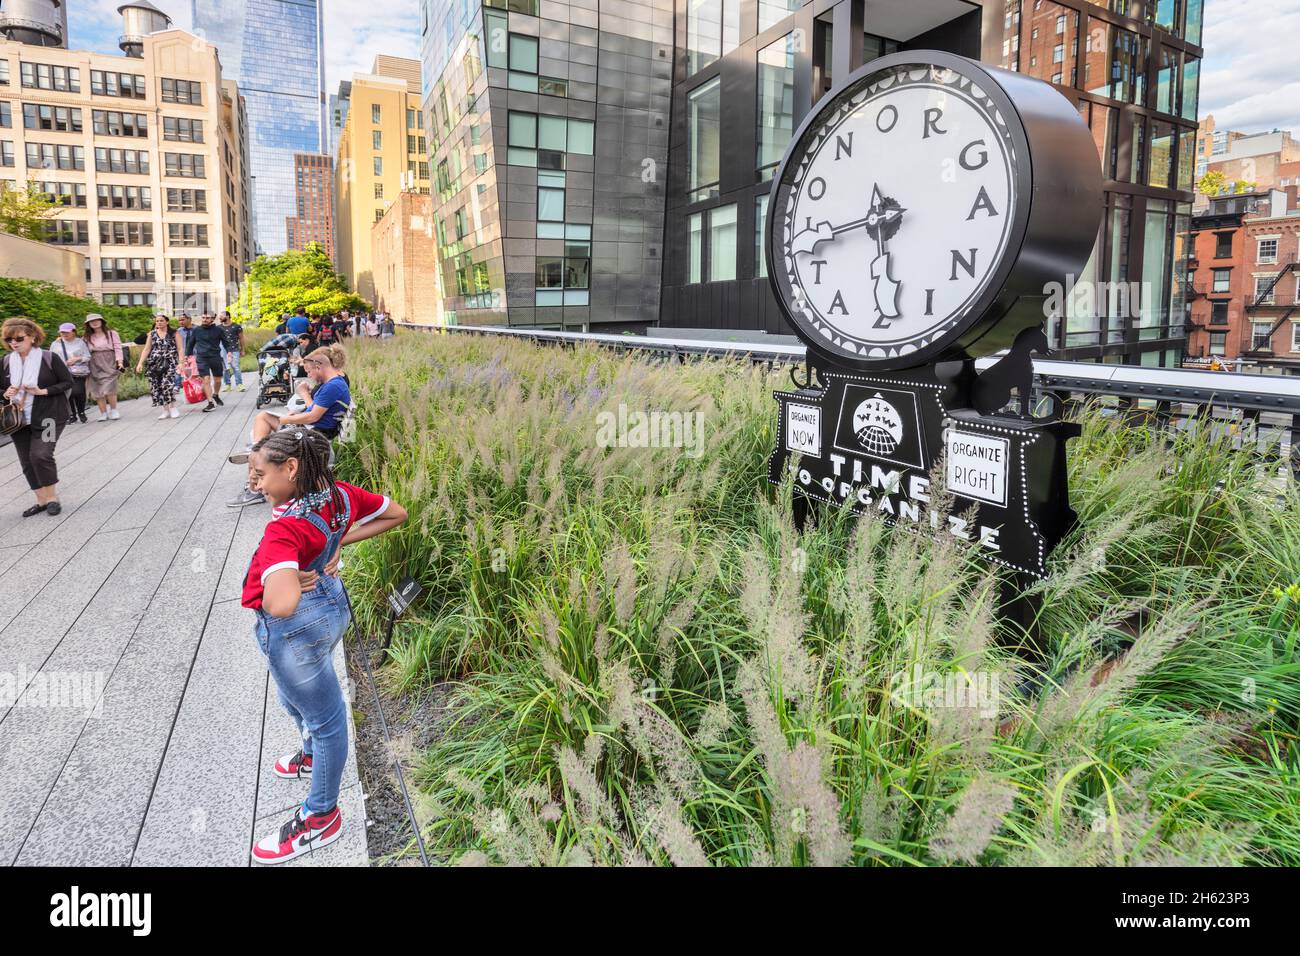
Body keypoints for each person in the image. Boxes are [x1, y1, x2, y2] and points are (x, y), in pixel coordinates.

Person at [241, 428, 406, 863]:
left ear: (291, 468)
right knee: (294, 696)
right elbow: (396, 513)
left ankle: (322, 817)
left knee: (328, 718)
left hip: (299, 628)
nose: (255, 484)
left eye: (260, 475)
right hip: (332, 608)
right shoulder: (341, 495)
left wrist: (290, 575)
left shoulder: (285, 528)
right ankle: (313, 755)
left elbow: (279, 604)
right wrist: (337, 546)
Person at [228, 346, 352, 506]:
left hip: (313, 434)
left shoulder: (332, 386)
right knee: (263, 417)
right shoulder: (332, 382)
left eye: (309, 372)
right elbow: (314, 410)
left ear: (318, 366)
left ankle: (254, 480)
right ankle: (257, 449)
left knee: (257, 449)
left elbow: (313, 416)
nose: (309, 376)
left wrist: (287, 420)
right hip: (310, 428)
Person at [2, 317, 73, 517]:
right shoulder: (7, 362)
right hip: (17, 420)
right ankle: (41, 500)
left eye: (18, 338)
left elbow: (67, 382)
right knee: (26, 461)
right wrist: (6, 392)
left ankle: (52, 499)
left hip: (51, 416)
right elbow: (1, 389)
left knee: (41, 455)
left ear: (32, 337)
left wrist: (43, 391)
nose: (13, 343)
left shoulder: (49, 358)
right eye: (9, 339)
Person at [136, 314, 184, 419]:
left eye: (161, 320)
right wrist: (140, 363)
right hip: (154, 363)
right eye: (157, 321)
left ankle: (173, 408)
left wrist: (181, 363)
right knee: (157, 386)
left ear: (167, 322)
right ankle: (165, 410)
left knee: (166, 385)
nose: (159, 323)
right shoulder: (152, 334)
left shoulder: (174, 333)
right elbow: (147, 349)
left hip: (169, 362)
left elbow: (180, 349)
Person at [83, 313, 124, 421]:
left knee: (110, 387)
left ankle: (114, 410)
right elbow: (80, 348)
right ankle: (103, 413)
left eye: (97, 320)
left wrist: (119, 362)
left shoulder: (112, 333)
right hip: (93, 361)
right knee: (97, 388)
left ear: (102, 321)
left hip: (109, 360)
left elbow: (118, 348)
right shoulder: (86, 337)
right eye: (92, 321)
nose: (95, 323)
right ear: (88, 324)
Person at [50, 322, 90, 423]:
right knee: (68, 393)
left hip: (78, 371)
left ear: (73, 332)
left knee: (79, 392)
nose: (64, 334)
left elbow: (88, 357)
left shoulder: (80, 342)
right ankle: (72, 415)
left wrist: (77, 359)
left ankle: (81, 411)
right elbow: (50, 358)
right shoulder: (56, 344)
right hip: (61, 372)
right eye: (62, 332)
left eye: (67, 332)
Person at [188, 313, 226, 412]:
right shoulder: (197, 330)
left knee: (217, 380)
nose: (205, 320)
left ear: (212, 319)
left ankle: (216, 394)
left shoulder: (219, 330)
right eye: (203, 317)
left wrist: (230, 353)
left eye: (207, 318)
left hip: (215, 357)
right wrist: (187, 357)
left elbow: (226, 343)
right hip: (201, 358)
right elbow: (190, 344)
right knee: (206, 380)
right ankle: (210, 403)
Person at [220, 312, 247, 392]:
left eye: (222, 316)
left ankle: (239, 384)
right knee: (225, 368)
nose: (220, 318)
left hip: (234, 349)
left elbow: (241, 338)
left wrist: (242, 350)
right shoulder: (218, 328)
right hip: (223, 350)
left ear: (227, 316)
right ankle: (227, 385)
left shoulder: (237, 326)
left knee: (236, 367)